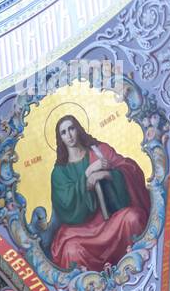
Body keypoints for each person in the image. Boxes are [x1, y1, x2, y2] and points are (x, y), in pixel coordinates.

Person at [48, 115, 150, 272]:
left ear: (78, 129)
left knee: (133, 218)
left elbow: (130, 170)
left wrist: (108, 175)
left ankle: (138, 268)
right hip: (83, 231)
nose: (68, 135)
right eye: (63, 132)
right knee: (70, 250)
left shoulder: (99, 151)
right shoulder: (59, 172)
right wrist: (89, 174)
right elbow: (65, 204)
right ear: (59, 138)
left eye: (71, 128)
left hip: (112, 221)